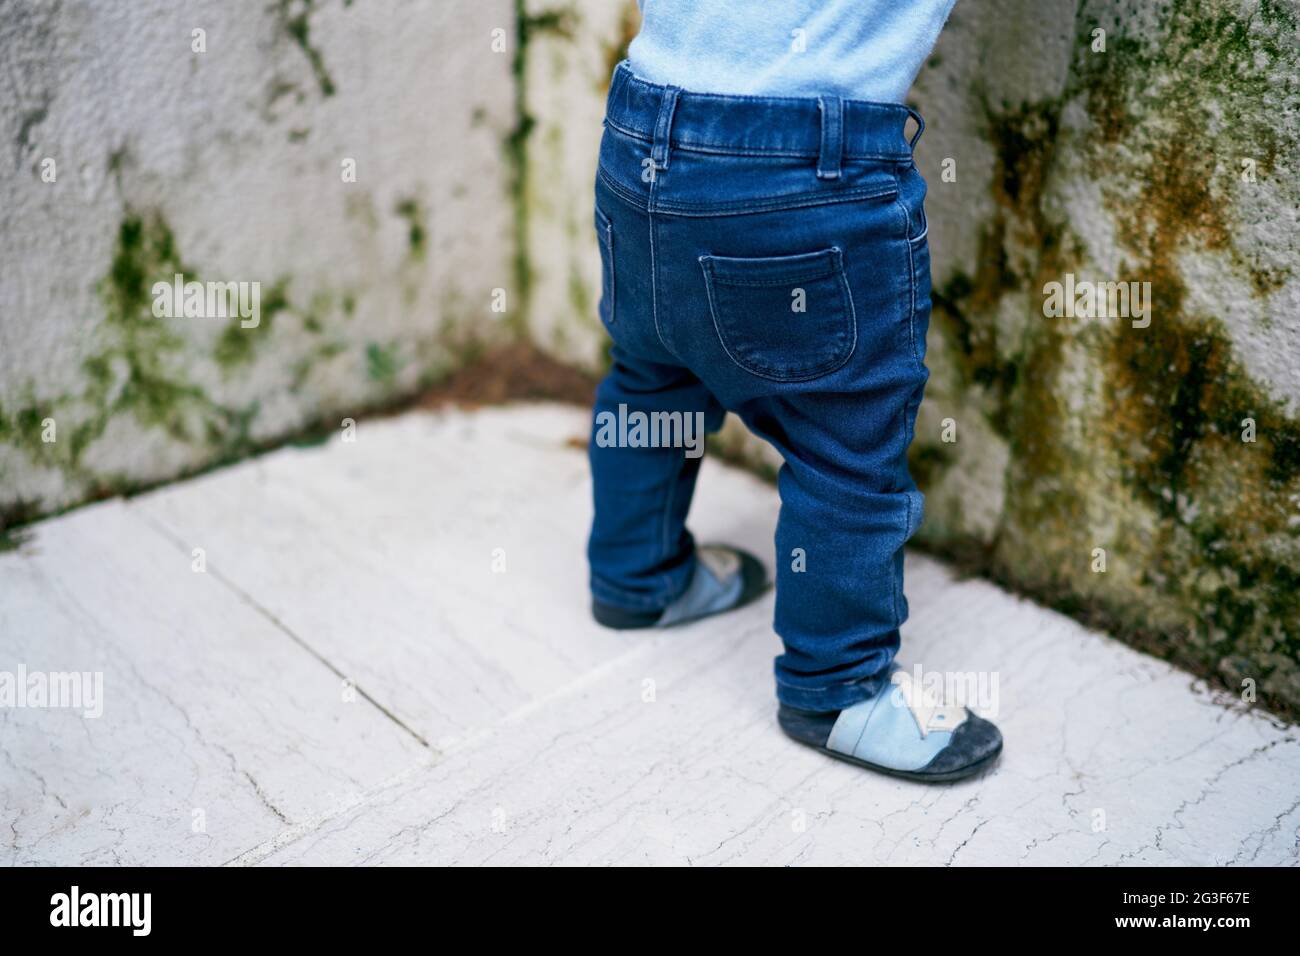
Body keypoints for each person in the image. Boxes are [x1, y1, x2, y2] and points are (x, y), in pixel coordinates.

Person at [585, 0, 1003, 782]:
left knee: (652, 374)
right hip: (803, 170)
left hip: (640, 135)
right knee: (844, 443)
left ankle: (635, 579)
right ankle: (837, 691)